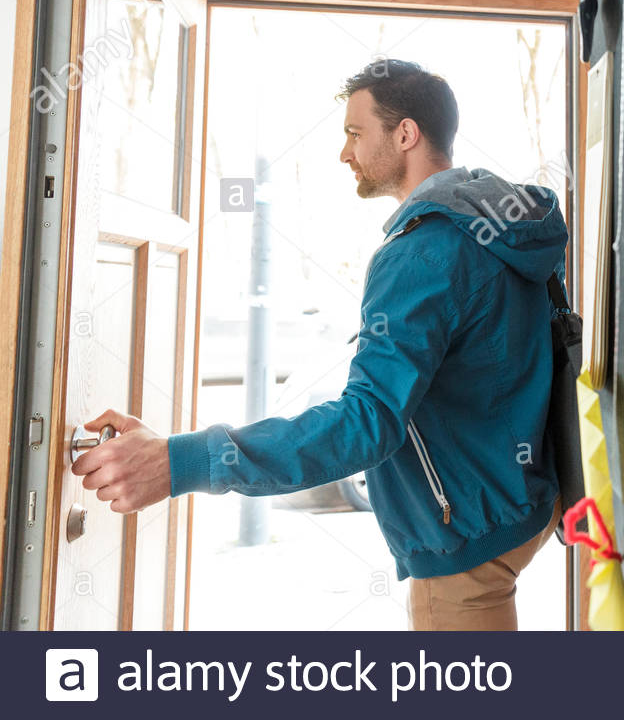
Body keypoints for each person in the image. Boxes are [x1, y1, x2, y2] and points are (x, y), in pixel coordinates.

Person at [71, 58, 569, 630]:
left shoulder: (422, 254)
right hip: (519, 501)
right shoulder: (494, 224)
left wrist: (180, 461)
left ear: (405, 134)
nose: (344, 152)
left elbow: (365, 424)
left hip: (466, 544)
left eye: (355, 133)